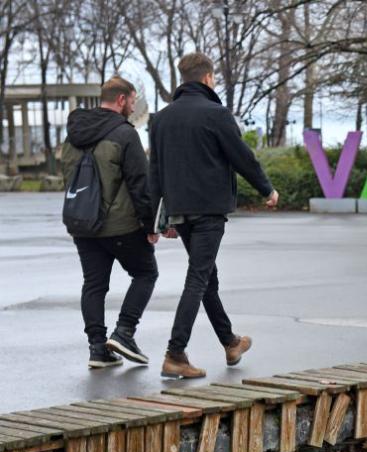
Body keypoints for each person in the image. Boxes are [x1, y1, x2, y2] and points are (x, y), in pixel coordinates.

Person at [148, 52, 278, 379]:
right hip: (209, 211)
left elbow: (155, 172)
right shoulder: (216, 114)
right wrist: (267, 189)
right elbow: (242, 157)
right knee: (199, 277)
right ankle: (175, 353)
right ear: (207, 78)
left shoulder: (161, 119)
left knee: (207, 277)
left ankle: (230, 342)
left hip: (181, 211)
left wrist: (157, 219)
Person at [62, 76, 158, 369]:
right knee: (146, 272)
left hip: (81, 221)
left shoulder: (74, 132)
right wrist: (150, 225)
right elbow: (141, 185)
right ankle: (124, 332)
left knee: (93, 284)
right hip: (120, 226)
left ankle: (97, 349)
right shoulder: (125, 134)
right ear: (121, 100)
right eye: (131, 100)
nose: (132, 106)